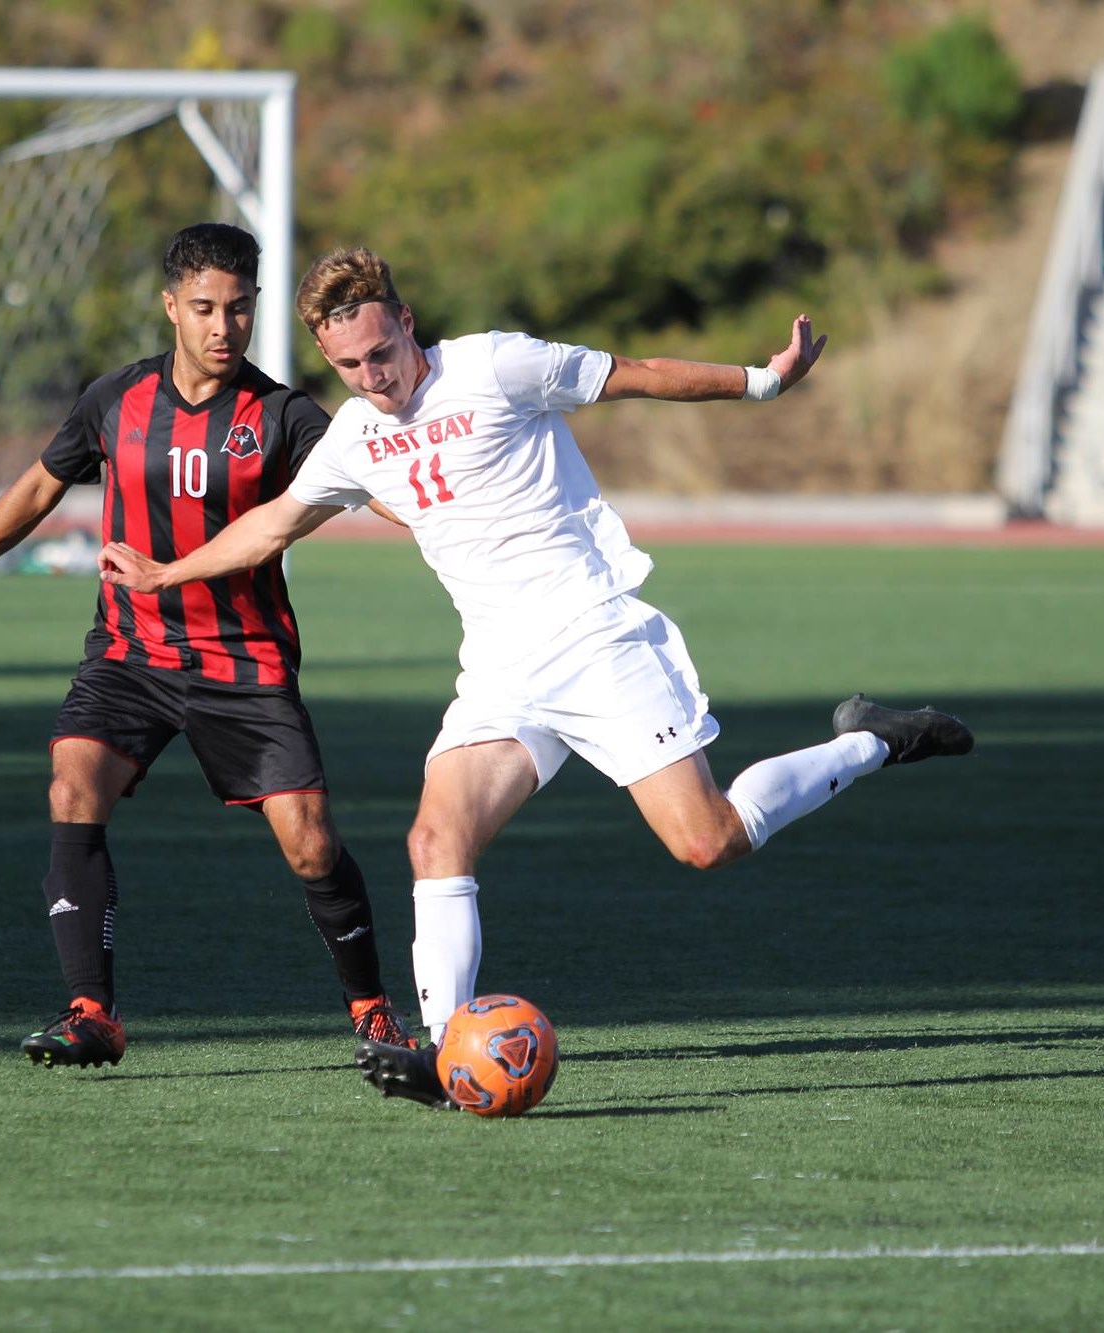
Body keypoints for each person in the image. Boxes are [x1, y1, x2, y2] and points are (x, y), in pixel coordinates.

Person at [96, 246, 975, 1107]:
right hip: (501, 669)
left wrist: (764, 380)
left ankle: (870, 740)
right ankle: (443, 1056)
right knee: (435, 841)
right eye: (351, 365)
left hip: (597, 637)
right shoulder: (356, 438)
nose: (375, 377)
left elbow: (638, 372)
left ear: (407, 322)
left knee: (707, 841)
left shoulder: (496, 365)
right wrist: (169, 575)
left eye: (384, 353)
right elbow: (273, 524)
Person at [0, 223, 414, 1071]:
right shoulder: (116, 400)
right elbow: (41, 482)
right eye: (208, 309)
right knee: (73, 781)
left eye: (241, 310)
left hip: (243, 661)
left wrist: (466, 518)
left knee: (312, 843)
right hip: (130, 652)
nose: (225, 328)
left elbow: (380, 486)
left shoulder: (283, 414)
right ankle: (91, 1012)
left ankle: (371, 1008)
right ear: (171, 306)